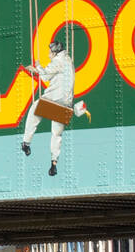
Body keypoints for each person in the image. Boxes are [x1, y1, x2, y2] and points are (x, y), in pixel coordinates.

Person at [20, 39, 88, 177]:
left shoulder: (59, 60)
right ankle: (54, 163)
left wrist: (37, 67)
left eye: (50, 52)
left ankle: (26, 143)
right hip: (66, 104)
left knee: (34, 112)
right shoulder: (68, 61)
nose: (49, 54)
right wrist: (39, 69)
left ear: (55, 52)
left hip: (53, 101)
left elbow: (45, 76)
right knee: (57, 135)